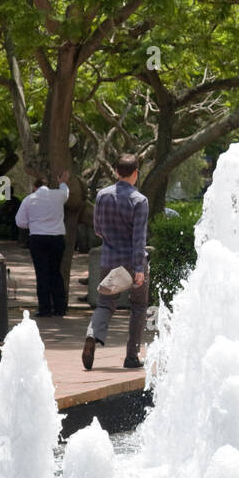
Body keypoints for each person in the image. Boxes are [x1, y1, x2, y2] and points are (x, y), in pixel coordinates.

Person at [83, 154, 149, 371]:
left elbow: (98, 229)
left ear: (116, 172)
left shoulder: (102, 195)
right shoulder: (139, 200)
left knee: (105, 304)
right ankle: (131, 356)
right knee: (138, 307)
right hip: (132, 263)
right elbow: (139, 238)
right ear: (135, 173)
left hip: (108, 260)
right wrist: (139, 269)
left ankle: (93, 335)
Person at [15, 168, 71, 317]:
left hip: (38, 238)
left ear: (34, 187)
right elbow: (65, 193)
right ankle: (60, 308)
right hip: (57, 238)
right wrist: (62, 183)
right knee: (56, 273)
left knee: (41, 273)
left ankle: (45, 308)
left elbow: (20, 222)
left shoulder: (29, 199)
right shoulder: (58, 195)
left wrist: (33, 223)